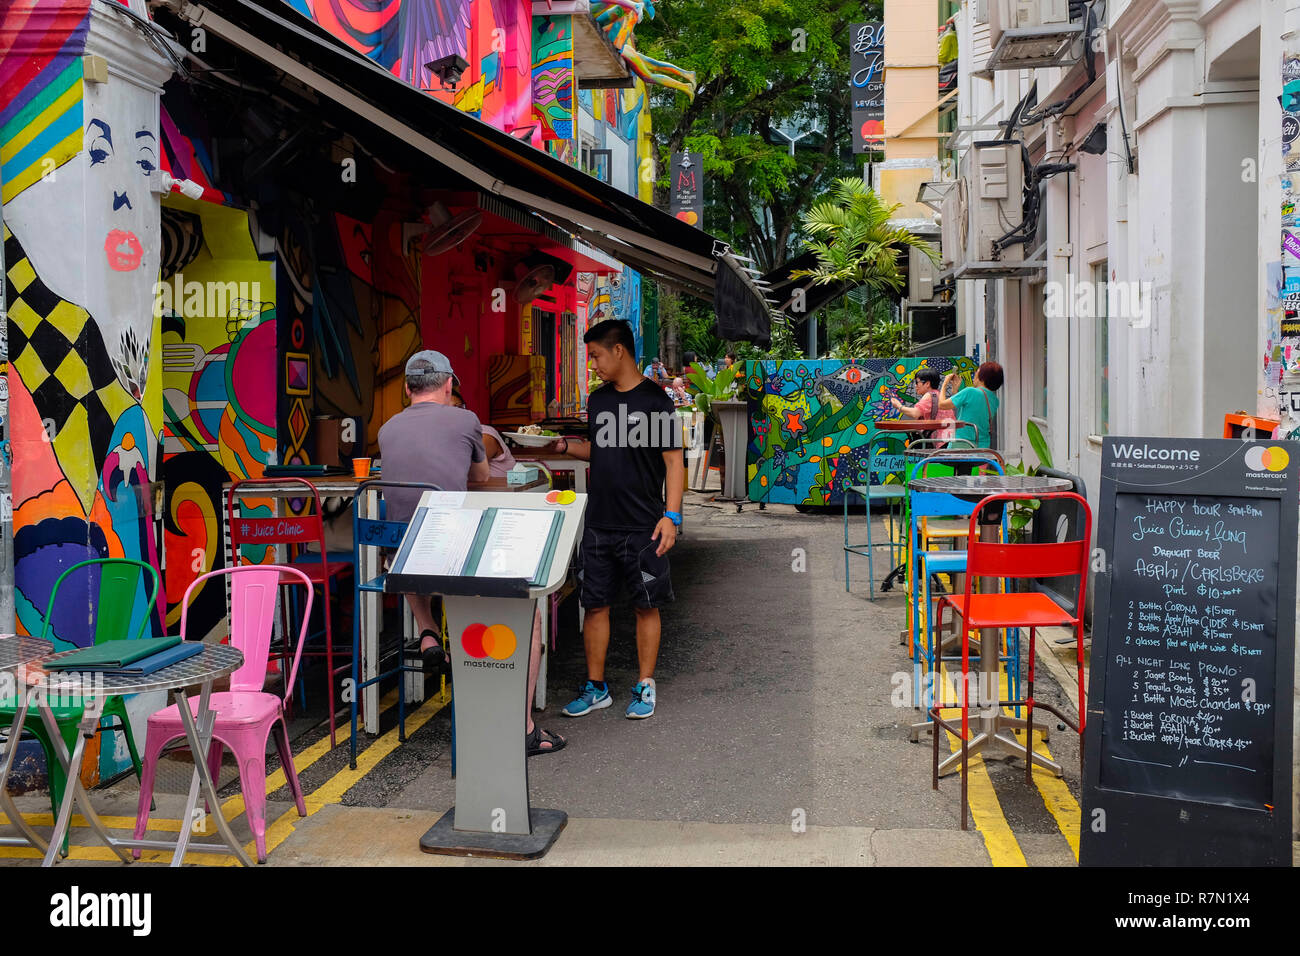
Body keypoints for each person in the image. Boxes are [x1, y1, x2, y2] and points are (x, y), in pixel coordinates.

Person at [380, 351, 564, 755]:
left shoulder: (386, 428)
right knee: (527, 617)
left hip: (402, 564)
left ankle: (428, 630)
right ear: (449, 386)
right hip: (453, 559)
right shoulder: (466, 421)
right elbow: (480, 477)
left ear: (406, 388)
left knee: (414, 538)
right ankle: (523, 727)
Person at [543, 319, 683, 720]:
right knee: (595, 605)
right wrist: (565, 446)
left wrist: (670, 516)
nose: (593, 364)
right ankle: (596, 686)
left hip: (644, 525)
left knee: (646, 605)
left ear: (618, 350)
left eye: (596, 355)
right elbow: (601, 451)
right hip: (600, 522)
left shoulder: (656, 400)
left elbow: (673, 462)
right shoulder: (600, 400)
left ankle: (644, 684)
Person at [451, 387, 517, 478]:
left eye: (458, 407)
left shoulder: (485, 434)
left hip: (501, 491)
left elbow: (464, 468)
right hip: (472, 491)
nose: (454, 413)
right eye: (446, 410)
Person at [939, 361, 1003, 448]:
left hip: (962, 443)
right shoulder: (994, 400)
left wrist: (944, 383)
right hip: (982, 446)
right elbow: (971, 413)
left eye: (977, 373)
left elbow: (942, 405)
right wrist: (955, 390)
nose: (974, 376)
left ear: (982, 377)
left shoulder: (970, 391)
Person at [889, 368, 943, 438]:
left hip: (935, 440)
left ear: (927, 384)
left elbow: (915, 413)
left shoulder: (929, 395)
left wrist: (899, 406)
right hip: (944, 438)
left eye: (917, 382)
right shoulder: (938, 395)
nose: (915, 386)